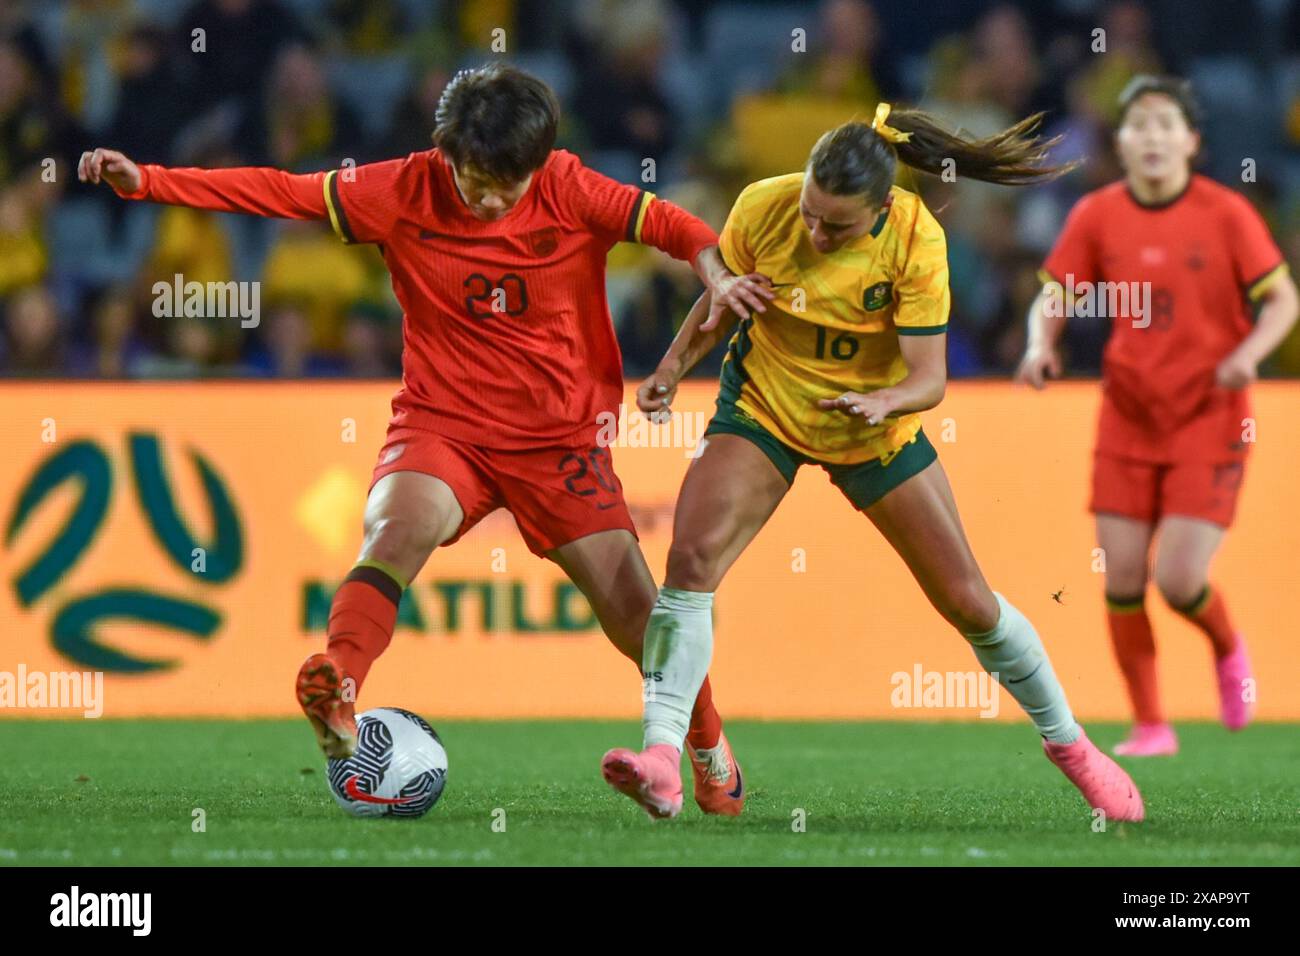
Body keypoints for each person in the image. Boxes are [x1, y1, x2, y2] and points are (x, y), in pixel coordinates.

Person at [80, 63, 775, 815]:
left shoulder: (570, 186)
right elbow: (283, 191)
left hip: (559, 440)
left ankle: (705, 745)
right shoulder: (401, 189)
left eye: (503, 185)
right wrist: (147, 181)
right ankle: (339, 687)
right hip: (444, 422)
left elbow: (673, 224)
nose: (485, 197)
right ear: (446, 151)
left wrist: (711, 266)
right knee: (393, 531)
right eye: (472, 177)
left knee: (640, 614)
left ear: (537, 164)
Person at [602, 103, 1145, 823]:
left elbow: (930, 378)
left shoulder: (918, 241)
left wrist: (885, 403)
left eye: (837, 225)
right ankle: (667, 758)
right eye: (811, 215)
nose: (817, 232)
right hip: (767, 408)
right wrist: (672, 369)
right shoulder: (763, 207)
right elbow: (724, 302)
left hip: (872, 429)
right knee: (691, 562)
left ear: (882, 208)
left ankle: (1074, 749)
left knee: (969, 602)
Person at [1017, 76, 1298, 756]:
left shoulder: (1227, 213)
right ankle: (1150, 724)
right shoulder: (1096, 215)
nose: (1151, 137)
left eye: (1166, 124)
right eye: (1138, 125)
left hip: (1209, 417)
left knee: (1177, 580)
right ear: (1120, 142)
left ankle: (1228, 649)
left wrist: (1249, 355)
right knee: (1120, 577)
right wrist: (1038, 343)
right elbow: (1054, 295)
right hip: (1128, 417)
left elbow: (1284, 300)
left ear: (1192, 142)